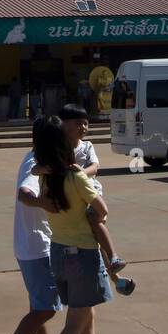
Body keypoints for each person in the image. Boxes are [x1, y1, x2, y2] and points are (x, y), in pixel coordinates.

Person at [35, 116, 128, 334]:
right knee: (74, 324)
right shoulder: (76, 178)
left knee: (85, 318)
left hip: (59, 253)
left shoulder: (45, 177)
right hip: (82, 256)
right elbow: (102, 210)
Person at [0, 118, 76, 334]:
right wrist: (42, 202)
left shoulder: (37, 158)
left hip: (30, 245)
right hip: (37, 247)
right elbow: (25, 193)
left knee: (39, 308)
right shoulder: (37, 163)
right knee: (47, 308)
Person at [58, 105, 135, 295]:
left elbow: (95, 167)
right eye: (78, 124)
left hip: (90, 193)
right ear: (64, 125)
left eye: (86, 124)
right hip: (73, 198)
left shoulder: (87, 145)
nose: (83, 128)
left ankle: (114, 258)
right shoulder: (59, 148)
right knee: (91, 239)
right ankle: (116, 280)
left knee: (95, 221)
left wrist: (81, 173)